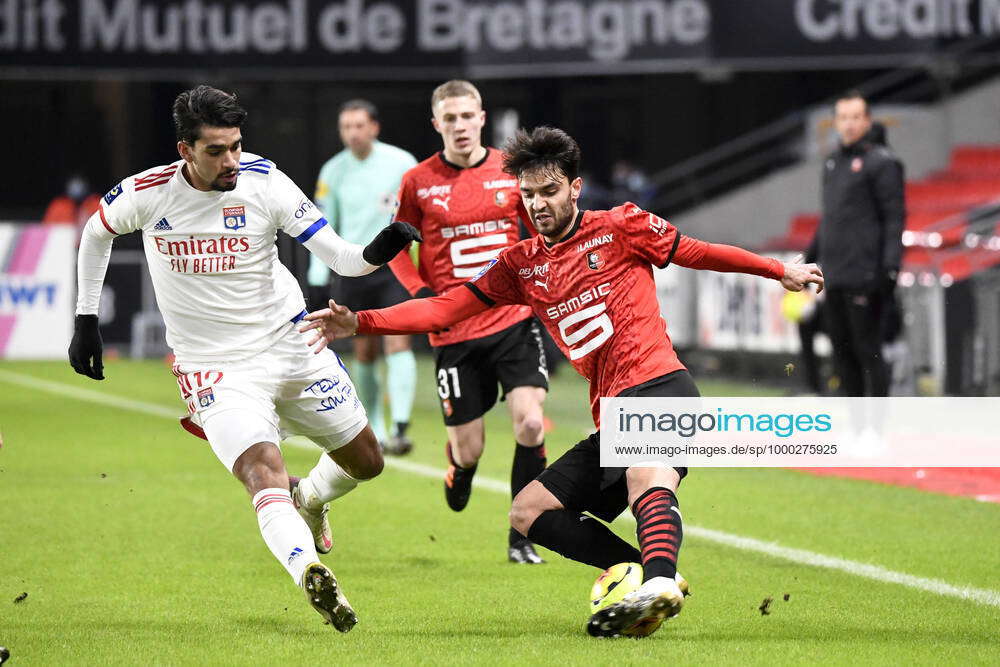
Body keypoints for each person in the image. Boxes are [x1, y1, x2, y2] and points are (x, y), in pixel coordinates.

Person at [301, 126, 824, 638]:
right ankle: (648, 575)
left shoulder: (621, 225)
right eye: (527, 195)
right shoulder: (520, 266)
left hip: (660, 385)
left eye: (549, 191)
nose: (537, 204)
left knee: (647, 475)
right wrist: (363, 321)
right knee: (528, 511)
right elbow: (448, 306)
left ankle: (659, 579)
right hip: (611, 412)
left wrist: (779, 271)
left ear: (575, 188)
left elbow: (698, 251)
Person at [67, 85, 419, 631]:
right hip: (214, 366)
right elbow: (95, 232)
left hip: (292, 342)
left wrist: (379, 249)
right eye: (216, 150)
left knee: (368, 462)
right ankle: (309, 573)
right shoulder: (148, 193)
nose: (231, 160)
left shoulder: (264, 181)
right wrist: (86, 319)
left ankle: (312, 498)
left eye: (235, 145)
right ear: (185, 149)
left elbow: (343, 259)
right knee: (262, 469)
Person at [386, 80, 549, 565]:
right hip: (454, 334)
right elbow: (397, 248)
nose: (459, 125)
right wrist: (419, 293)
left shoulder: (510, 171)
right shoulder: (418, 182)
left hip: (514, 320)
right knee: (471, 448)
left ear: (482, 117)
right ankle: (460, 468)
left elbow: (542, 228)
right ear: (437, 124)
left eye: (467, 116)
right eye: (449, 118)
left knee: (532, 424)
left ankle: (523, 533)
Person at [311, 99, 419, 455]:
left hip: (395, 268)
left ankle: (401, 426)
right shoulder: (332, 171)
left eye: (359, 125)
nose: (353, 133)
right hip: (352, 267)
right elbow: (325, 224)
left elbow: (418, 214)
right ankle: (376, 426)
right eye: (346, 126)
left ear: (374, 127)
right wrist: (317, 276)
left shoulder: (402, 163)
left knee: (398, 341)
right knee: (365, 349)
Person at [808, 93, 905, 397]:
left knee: (869, 352)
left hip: (866, 274)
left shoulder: (883, 163)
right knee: (841, 353)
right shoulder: (832, 163)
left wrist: (890, 266)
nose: (848, 124)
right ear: (835, 122)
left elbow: (894, 218)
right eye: (843, 118)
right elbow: (830, 218)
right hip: (834, 274)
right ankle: (855, 425)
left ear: (867, 120)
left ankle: (874, 432)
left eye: (855, 117)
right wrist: (811, 258)